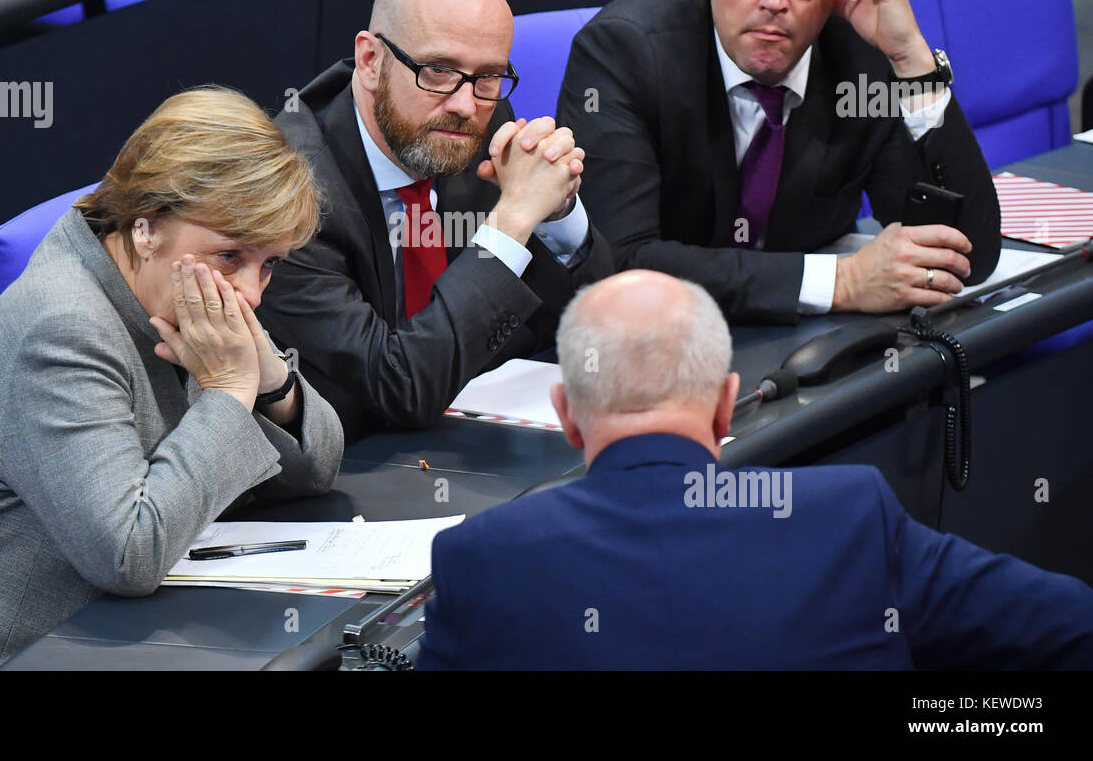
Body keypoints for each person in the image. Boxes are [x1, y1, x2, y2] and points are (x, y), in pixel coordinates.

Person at [0, 88, 343, 667]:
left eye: (270, 265)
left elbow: (319, 468)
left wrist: (268, 380)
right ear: (146, 228)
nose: (252, 293)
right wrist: (229, 392)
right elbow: (131, 554)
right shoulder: (62, 327)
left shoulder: (170, 292)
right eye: (231, 256)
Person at [417, 270, 1093, 669]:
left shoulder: (481, 559)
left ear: (566, 415)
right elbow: (1067, 628)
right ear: (725, 404)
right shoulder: (849, 516)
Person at [558, 0, 1001, 324]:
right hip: (662, 345)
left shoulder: (863, 48)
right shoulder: (622, 53)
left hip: (812, 351)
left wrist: (911, 59)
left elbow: (968, 257)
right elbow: (621, 269)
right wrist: (844, 281)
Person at [257, 0, 613, 440]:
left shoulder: (472, 122)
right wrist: (511, 219)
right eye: (439, 71)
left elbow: (593, 322)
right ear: (369, 60)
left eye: (488, 76)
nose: (466, 104)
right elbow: (398, 386)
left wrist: (558, 211)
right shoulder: (283, 193)